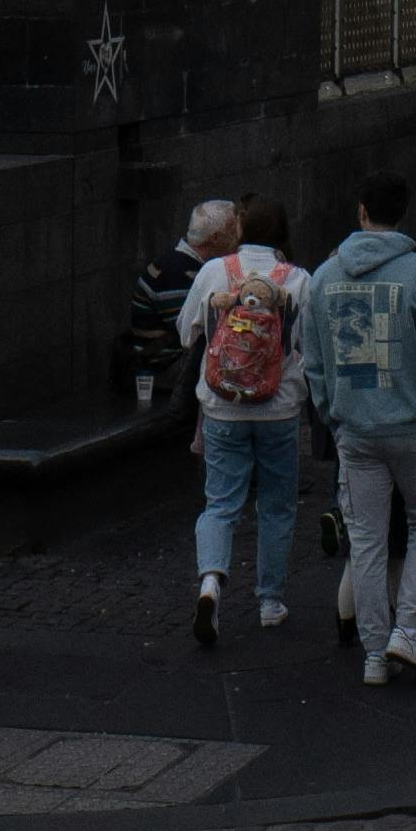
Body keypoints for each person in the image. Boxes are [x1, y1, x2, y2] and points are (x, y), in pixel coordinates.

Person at [305, 171, 416, 689]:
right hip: (415, 424)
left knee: (366, 540)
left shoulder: (324, 278)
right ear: (403, 215)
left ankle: (375, 654)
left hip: (356, 427)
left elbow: (315, 362)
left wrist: (332, 412)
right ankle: (408, 629)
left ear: (361, 210)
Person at [179, 201, 309, 646]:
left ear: (240, 230)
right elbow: (307, 345)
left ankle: (211, 582)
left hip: (222, 407)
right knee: (276, 504)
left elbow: (185, 331)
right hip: (279, 409)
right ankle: (270, 601)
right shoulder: (297, 280)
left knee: (220, 503)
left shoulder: (215, 271)